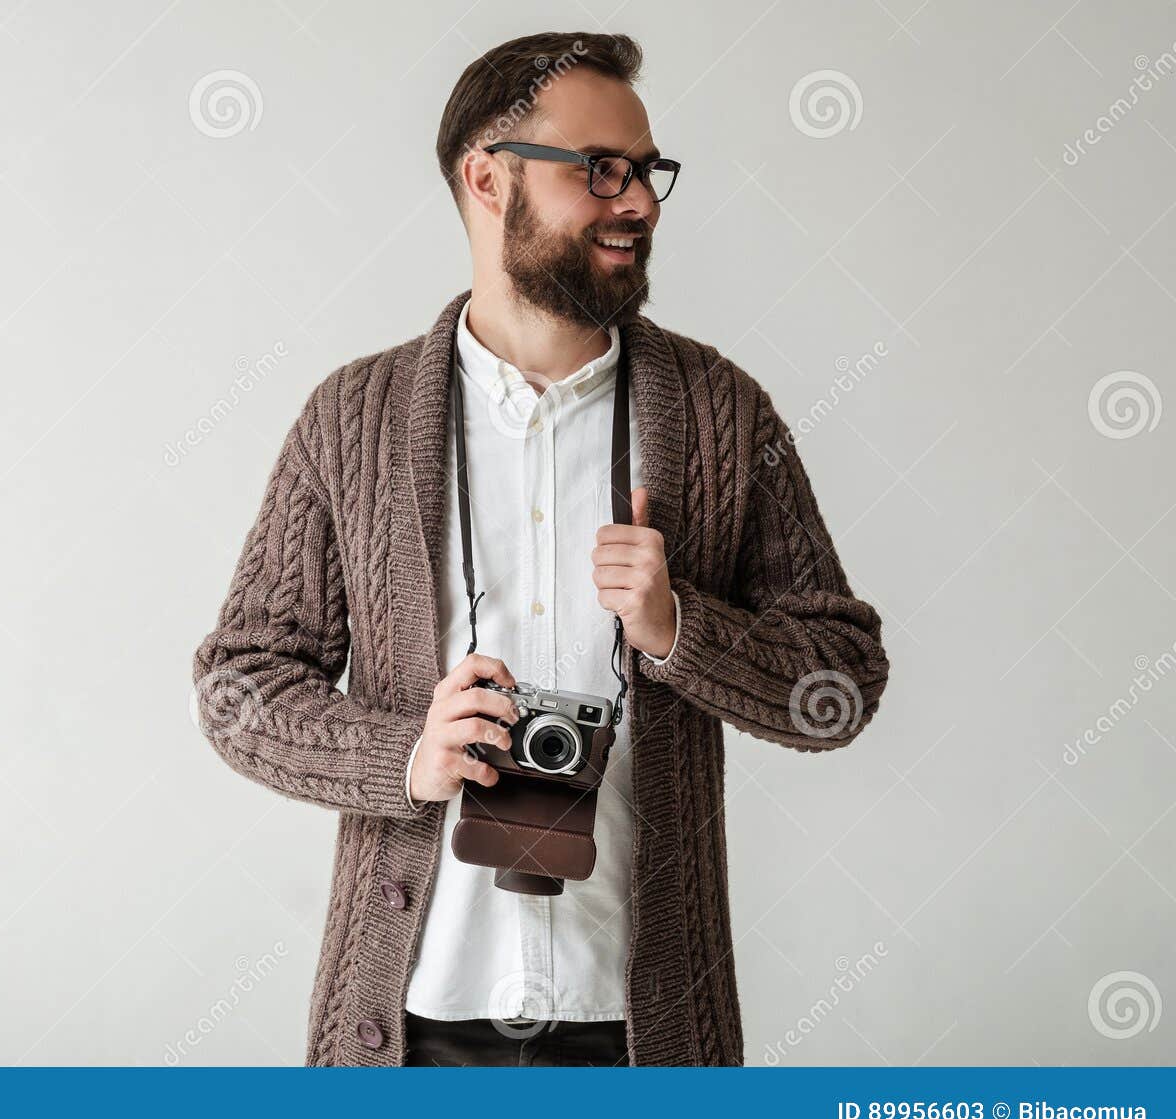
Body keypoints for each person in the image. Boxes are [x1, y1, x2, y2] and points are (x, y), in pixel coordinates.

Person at [192, 30, 890, 1067]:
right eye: (599, 169)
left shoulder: (718, 413)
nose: (639, 202)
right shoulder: (353, 419)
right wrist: (402, 755)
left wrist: (680, 628)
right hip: (409, 1031)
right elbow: (237, 686)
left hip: (643, 1036)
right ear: (486, 177)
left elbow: (842, 680)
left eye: (647, 172)